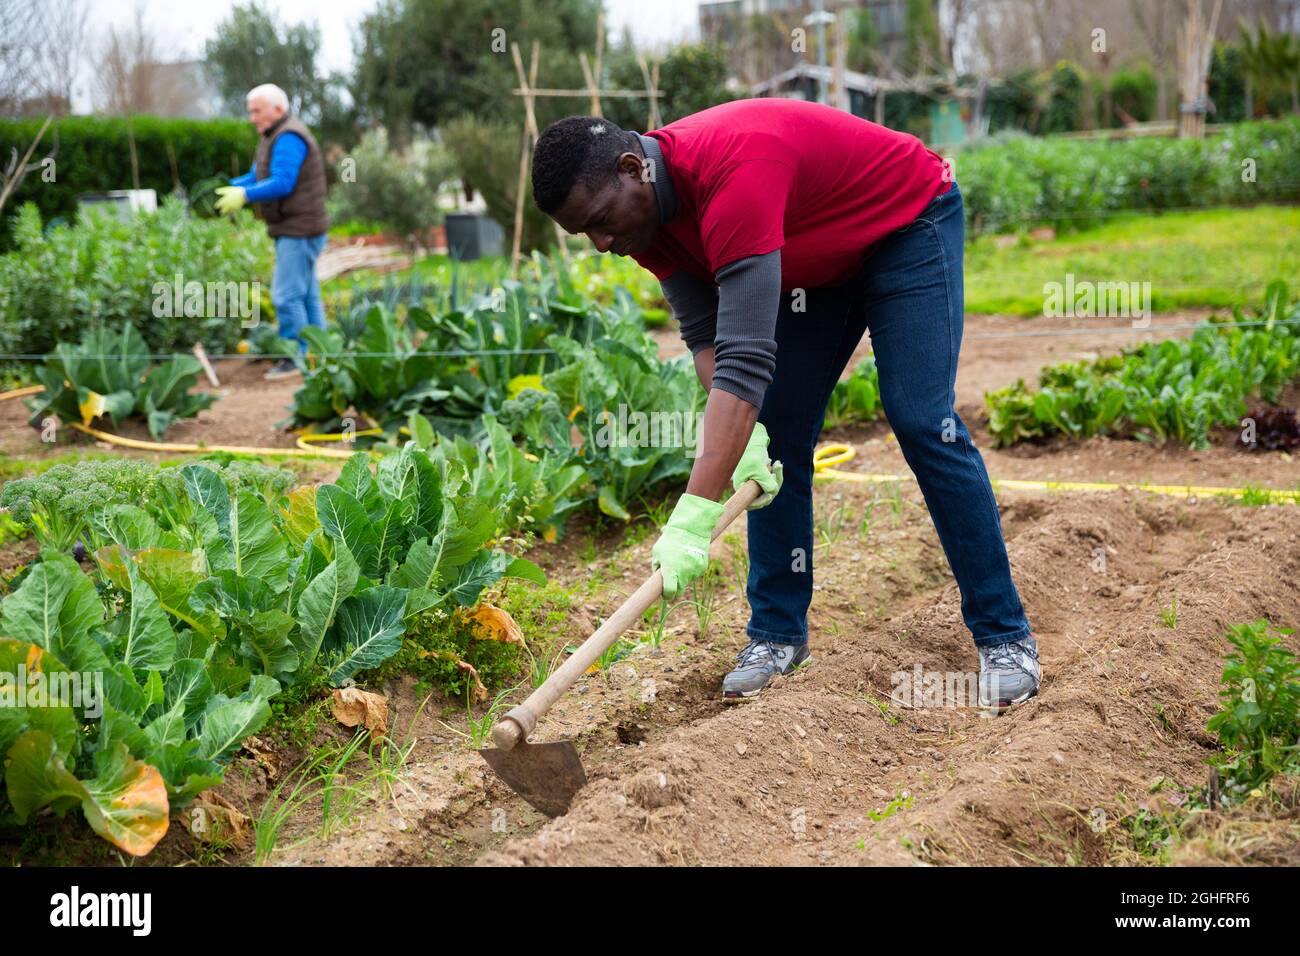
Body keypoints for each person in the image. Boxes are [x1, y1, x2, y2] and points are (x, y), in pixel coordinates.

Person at [529, 99, 1040, 711]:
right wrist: (746, 443)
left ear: (633, 166)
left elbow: (747, 363)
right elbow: (710, 342)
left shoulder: (733, 172)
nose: (602, 242)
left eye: (600, 220)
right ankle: (776, 636)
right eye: (584, 233)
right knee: (774, 433)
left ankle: (1005, 636)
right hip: (814, 265)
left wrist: (694, 514)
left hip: (904, 224)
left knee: (921, 419)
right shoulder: (642, 222)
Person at [215, 83, 329, 381]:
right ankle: (323, 352)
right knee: (306, 295)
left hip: (300, 229)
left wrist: (246, 196)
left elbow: (283, 182)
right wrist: (236, 185)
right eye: (250, 111)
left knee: (286, 296)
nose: (252, 117)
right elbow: (259, 175)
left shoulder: (289, 137)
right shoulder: (272, 136)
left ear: (277, 109)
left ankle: (295, 358)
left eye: (257, 110)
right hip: (295, 228)